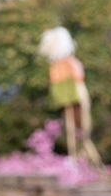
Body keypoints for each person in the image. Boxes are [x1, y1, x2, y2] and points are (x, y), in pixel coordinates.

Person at [39, 27, 101, 165]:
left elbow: (78, 78)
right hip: (67, 97)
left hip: (75, 96)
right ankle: (76, 159)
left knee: (80, 132)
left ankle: (90, 161)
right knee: (71, 130)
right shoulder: (56, 66)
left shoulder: (69, 63)